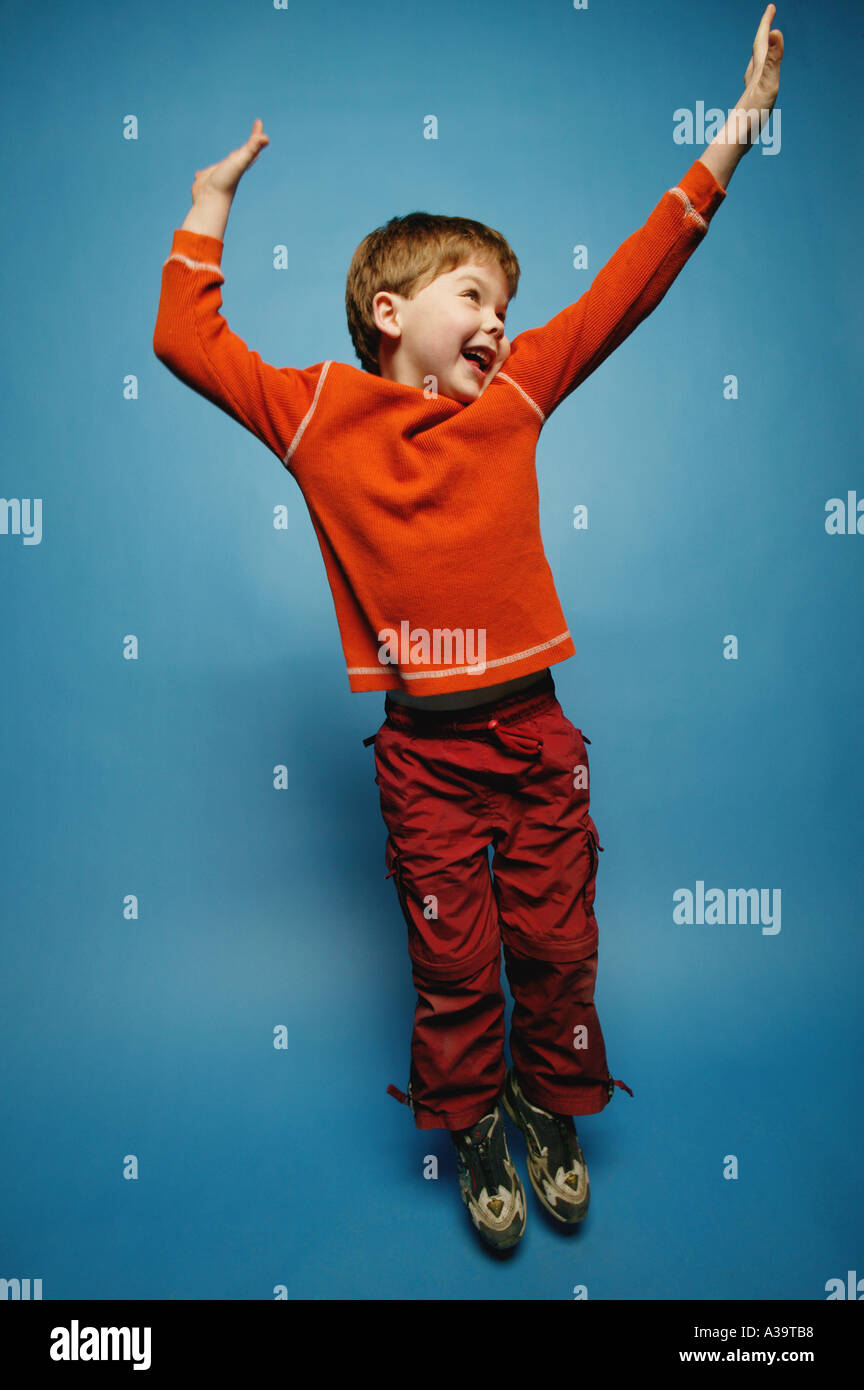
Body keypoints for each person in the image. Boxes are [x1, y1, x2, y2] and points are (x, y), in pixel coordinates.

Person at [152, 7, 783, 1251]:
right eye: (475, 294)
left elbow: (630, 285)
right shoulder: (317, 413)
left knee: (561, 946)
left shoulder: (518, 397)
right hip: (423, 762)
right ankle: (474, 1119)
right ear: (390, 313)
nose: (501, 320)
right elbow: (185, 336)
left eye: (507, 303)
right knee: (455, 970)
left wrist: (742, 129)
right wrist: (209, 199)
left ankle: (553, 1103)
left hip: (538, 740)